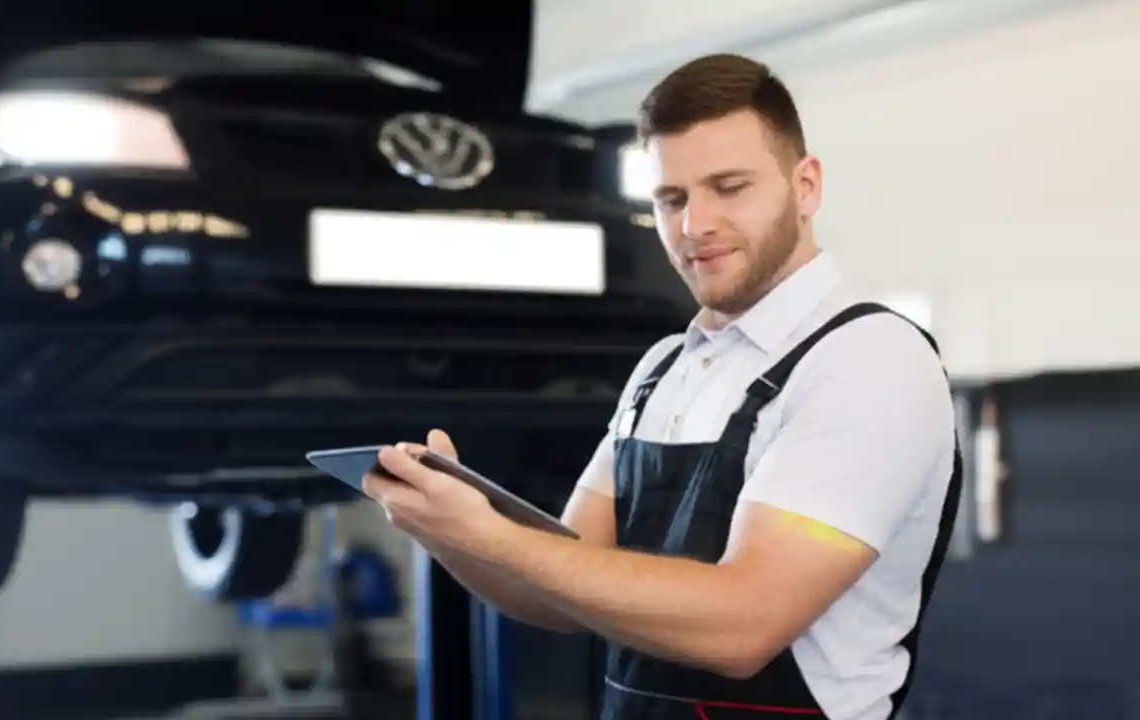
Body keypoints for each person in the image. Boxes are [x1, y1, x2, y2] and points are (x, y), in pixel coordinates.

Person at [361, 52, 962, 720]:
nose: (693, 226)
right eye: (671, 198)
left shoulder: (869, 359)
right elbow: (558, 587)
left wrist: (493, 536)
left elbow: (744, 626)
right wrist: (445, 527)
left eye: (729, 187)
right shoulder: (661, 368)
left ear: (806, 186)